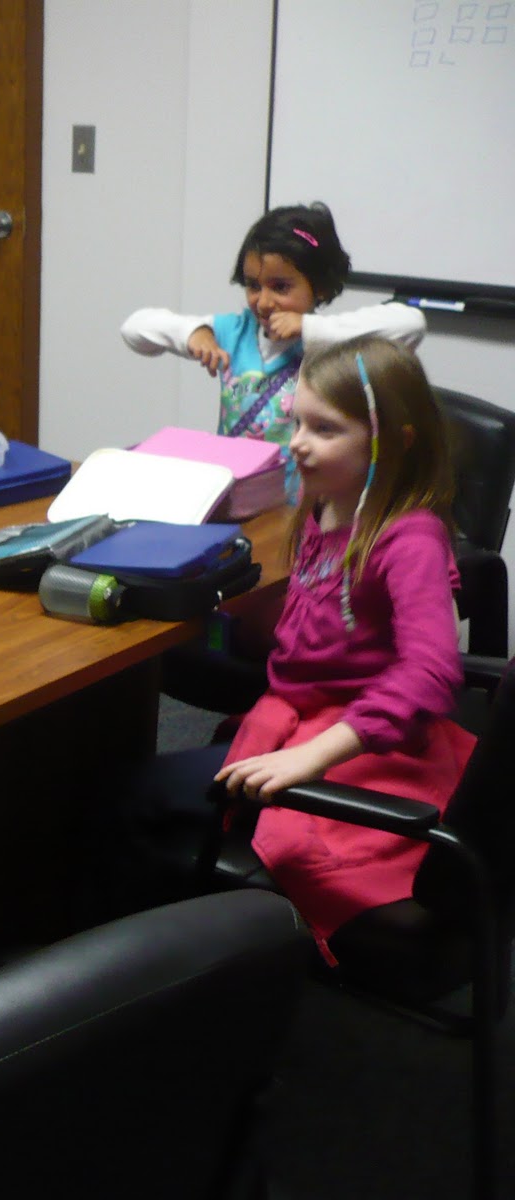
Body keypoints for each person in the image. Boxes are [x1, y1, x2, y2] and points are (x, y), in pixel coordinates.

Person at [116, 338, 473, 962]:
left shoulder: (408, 538)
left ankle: (151, 970)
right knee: (177, 668)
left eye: (325, 429)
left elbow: (431, 673)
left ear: (396, 441)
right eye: (298, 422)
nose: (298, 442)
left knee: (136, 796)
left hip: (356, 739)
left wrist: (313, 757)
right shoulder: (326, 504)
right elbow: (321, 622)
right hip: (297, 706)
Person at [120, 202, 425, 501]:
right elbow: (134, 329)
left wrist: (308, 329)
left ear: (318, 287)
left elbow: (412, 324)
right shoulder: (233, 333)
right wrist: (192, 333)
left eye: (280, 287)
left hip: (299, 506)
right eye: (253, 285)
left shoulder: (329, 346)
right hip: (233, 497)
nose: (263, 302)